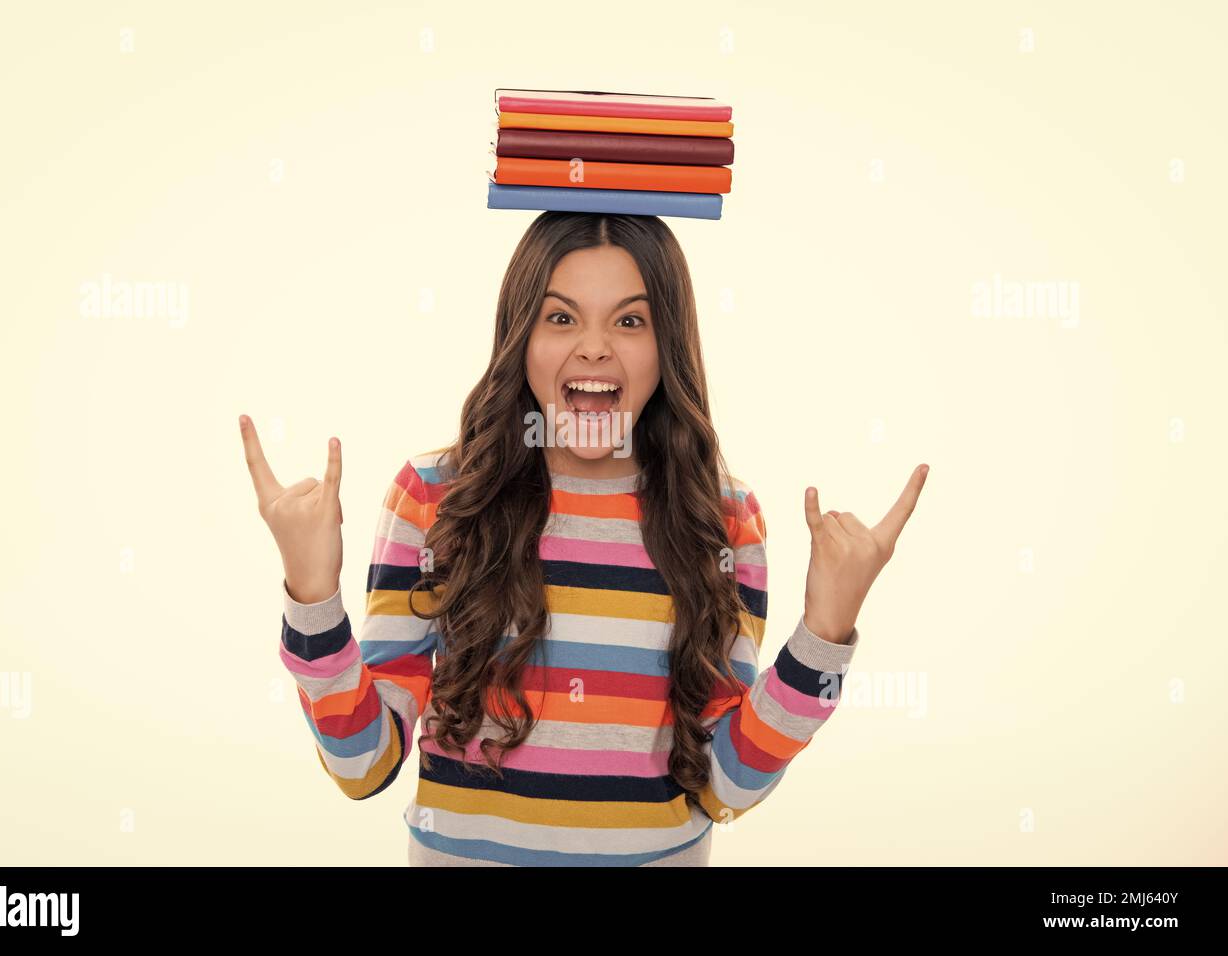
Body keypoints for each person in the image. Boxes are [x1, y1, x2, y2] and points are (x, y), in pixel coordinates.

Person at [239, 211, 928, 866]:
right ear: (520, 338)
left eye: (631, 320)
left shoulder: (721, 518)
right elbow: (364, 764)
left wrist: (825, 633)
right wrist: (313, 596)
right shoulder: (435, 498)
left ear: (668, 348)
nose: (594, 346)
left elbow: (727, 785)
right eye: (561, 317)